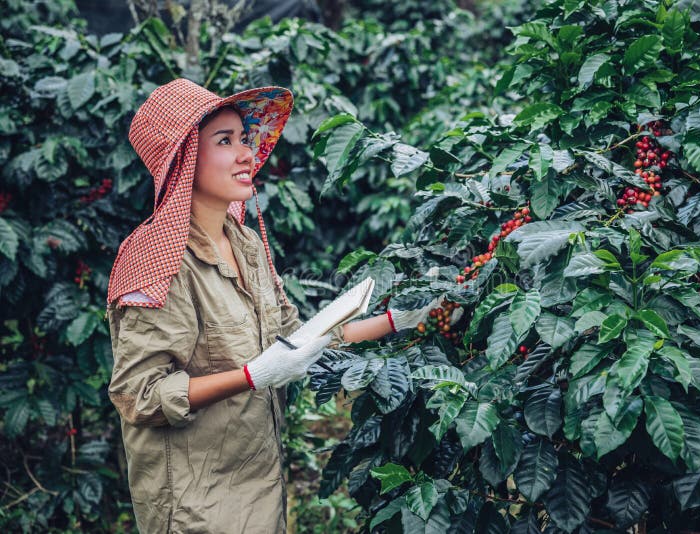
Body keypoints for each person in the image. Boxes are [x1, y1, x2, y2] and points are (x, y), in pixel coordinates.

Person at [105, 78, 461, 533]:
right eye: (225, 141)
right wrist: (250, 377)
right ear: (186, 159)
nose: (246, 153)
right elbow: (140, 395)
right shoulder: (157, 260)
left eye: (244, 139)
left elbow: (302, 342)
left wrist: (397, 320)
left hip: (260, 480)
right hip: (195, 503)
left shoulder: (247, 243)